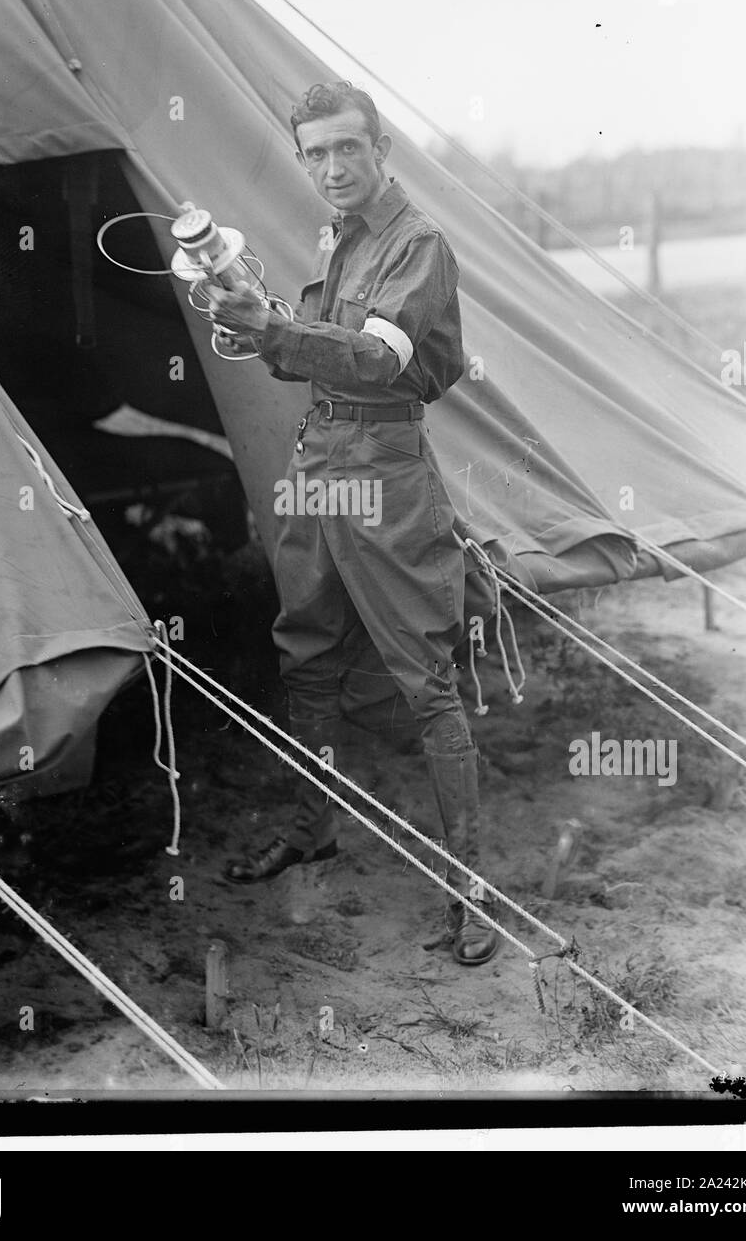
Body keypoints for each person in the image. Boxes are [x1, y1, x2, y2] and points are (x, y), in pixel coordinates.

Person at [204, 81, 499, 966]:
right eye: (315, 153)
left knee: (424, 678)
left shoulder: (418, 244)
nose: (331, 168)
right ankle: (311, 827)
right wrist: (256, 319)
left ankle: (469, 890)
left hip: (383, 471)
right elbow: (319, 350)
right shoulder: (344, 238)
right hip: (318, 463)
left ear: (380, 150)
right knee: (305, 652)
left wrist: (277, 332)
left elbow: (378, 361)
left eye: (347, 150)